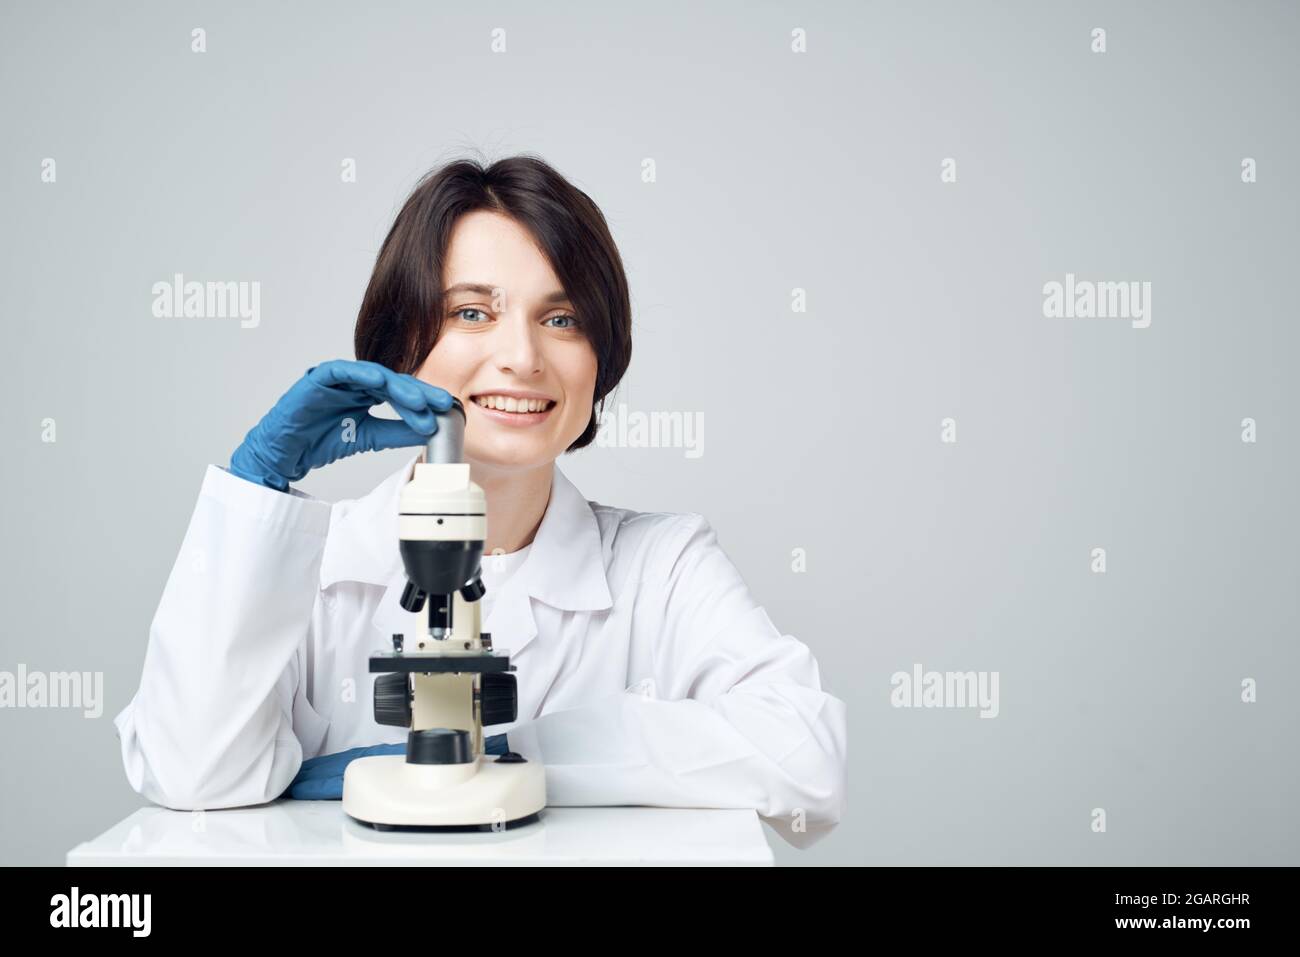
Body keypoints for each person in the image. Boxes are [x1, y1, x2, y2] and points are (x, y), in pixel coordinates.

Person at [114, 155, 847, 848]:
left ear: (602, 357)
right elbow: (192, 772)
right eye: (472, 312)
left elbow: (805, 759)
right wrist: (255, 492)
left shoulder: (662, 568)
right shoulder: (311, 566)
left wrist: (507, 754)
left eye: (562, 320)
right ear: (401, 344)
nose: (523, 357)